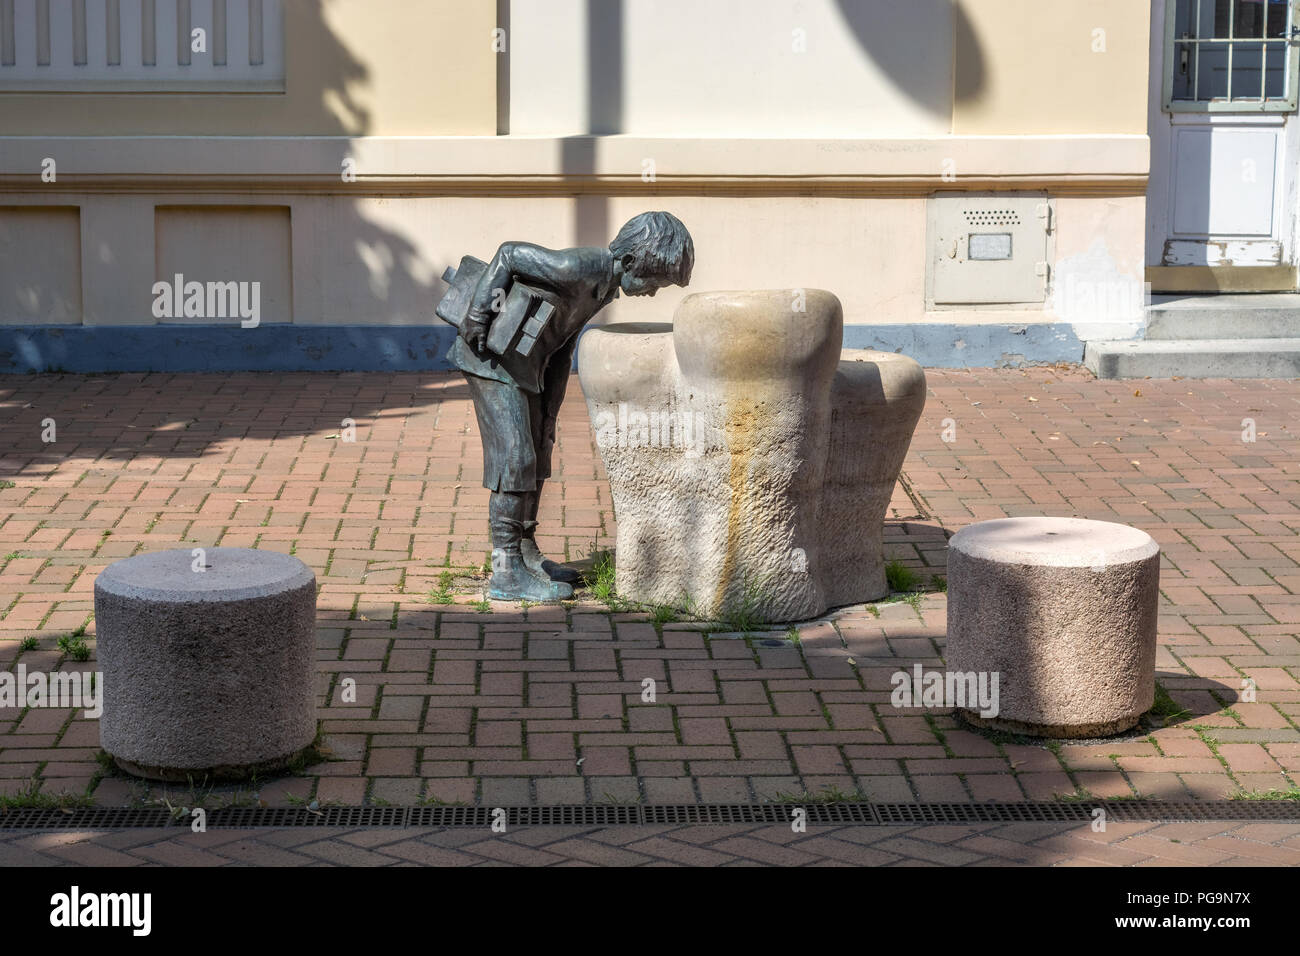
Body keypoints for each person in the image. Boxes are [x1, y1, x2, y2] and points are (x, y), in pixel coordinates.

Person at [448, 211, 695, 601]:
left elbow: (562, 343)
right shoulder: (581, 267)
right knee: (515, 457)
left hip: (527, 366)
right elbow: (509, 254)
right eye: (655, 281)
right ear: (631, 262)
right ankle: (505, 570)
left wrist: (551, 403)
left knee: (538, 451)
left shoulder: (604, 287)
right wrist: (478, 315)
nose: (653, 292)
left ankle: (525, 551)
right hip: (492, 359)